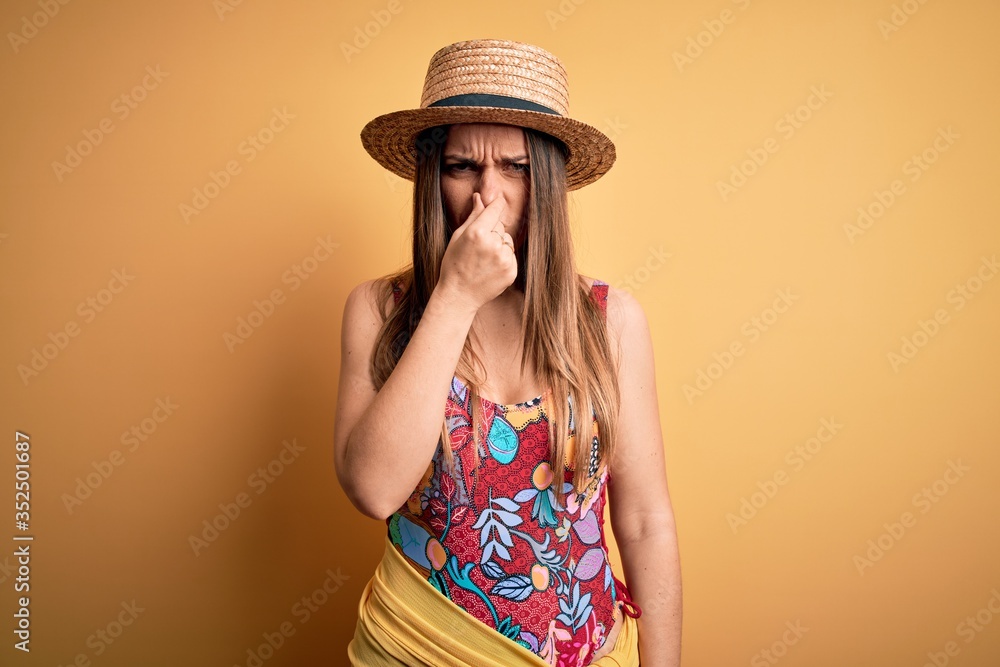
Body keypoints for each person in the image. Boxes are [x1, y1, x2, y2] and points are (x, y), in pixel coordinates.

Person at [334, 39, 681, 666]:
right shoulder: (379, 311)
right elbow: (373, 489)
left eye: (515, 167)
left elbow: (645, 522)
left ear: (547, 179)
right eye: (461, 166)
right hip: (417, 649)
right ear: (432, 178)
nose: (487, 196)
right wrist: (454, 297)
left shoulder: (612, 322)